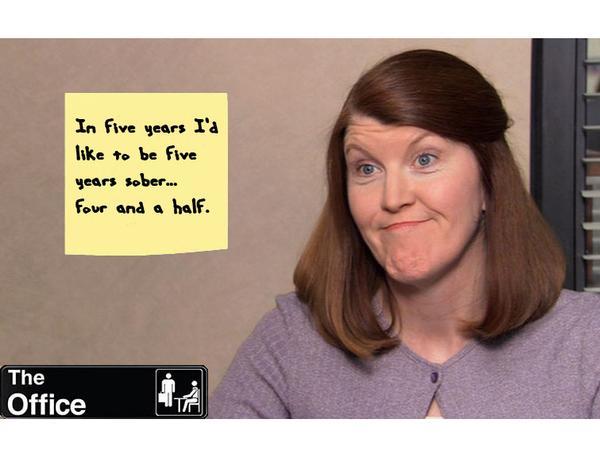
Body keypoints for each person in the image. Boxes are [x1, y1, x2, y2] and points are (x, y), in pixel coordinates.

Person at [209, 49, 600, 418]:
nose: (393, 198)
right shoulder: (289, 341)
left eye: (424, 159)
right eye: (367, 169)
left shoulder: (589, 342)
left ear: (489, 181)